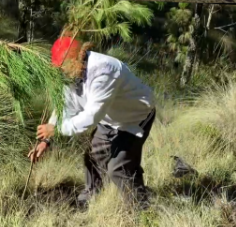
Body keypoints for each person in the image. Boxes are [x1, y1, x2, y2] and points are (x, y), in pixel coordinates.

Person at [30, 36, 157, 206]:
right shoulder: (71, 73)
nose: (60, 71)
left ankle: (140, 208)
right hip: (108, 118)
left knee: (118, 167)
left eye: (62, 67)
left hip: (135, 116)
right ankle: (91, 196)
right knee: (93, 157)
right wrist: (46, 140)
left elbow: (91, 116)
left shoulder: (104, 71)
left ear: (76, 59)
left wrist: (58, 129)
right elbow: (66, 105)